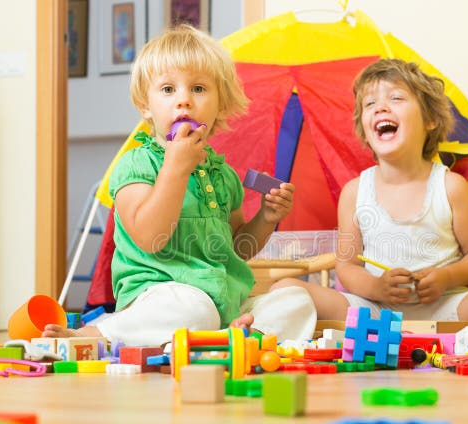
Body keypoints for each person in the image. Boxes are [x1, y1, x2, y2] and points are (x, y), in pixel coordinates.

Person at [43, 25, 317, 346]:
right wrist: (175, 166)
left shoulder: (223, 175)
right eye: (168, 89)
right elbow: (148, 237)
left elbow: (237, 248)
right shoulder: (137, 164)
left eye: (198, 89)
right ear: (146, 105)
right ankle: (101, 333)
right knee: (194, 311)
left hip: (224, 300)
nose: (184, 100)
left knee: (296, 300)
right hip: (162, 295)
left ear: (220, 104)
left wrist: (266, 219)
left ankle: (236, 340)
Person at [271, 59, 468, 348]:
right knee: (288, 288)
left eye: (396, 98)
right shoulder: (354, 192)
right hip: (376, 311)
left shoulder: (450, 187)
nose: (381, 108)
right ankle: (462, 342)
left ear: (430, 120)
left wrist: (445, 277)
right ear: (365, 131)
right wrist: (377, 287)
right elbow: (347, 265)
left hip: (444, 308)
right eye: (370, 104)